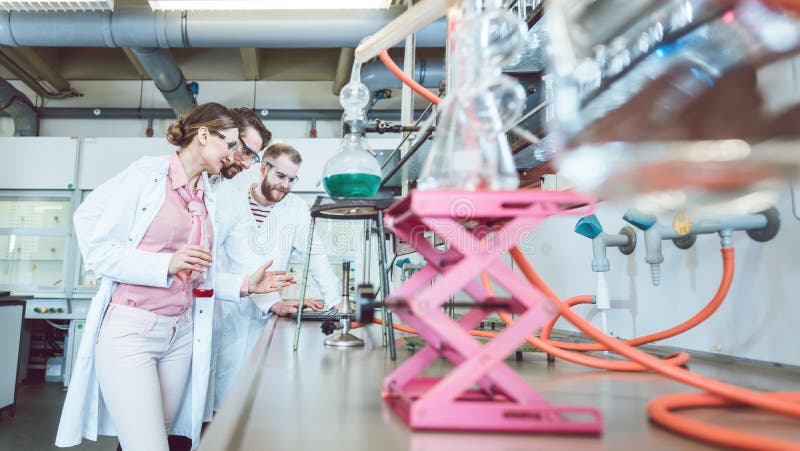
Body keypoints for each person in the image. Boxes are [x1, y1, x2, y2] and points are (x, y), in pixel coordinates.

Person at [55, 102, 293, 451]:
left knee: (161, 437)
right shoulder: (147, 176)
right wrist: (163, 264)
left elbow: (204, 273)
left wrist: (249, 287)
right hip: (134, 326)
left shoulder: (208, 195)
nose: (239, 160)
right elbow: (97, 242)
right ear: (206, 135)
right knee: (148, 444)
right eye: (236, 147)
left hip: (181, 332)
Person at [211, 141, 341, 412]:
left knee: (261, 402)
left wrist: (336, 305)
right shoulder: (231, 201)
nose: (286, 185)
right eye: (280, 176)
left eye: (293, 179)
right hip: (228, 310)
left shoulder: (295, 209)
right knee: (221, 401)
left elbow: (316, 257)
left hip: (266, 317)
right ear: (262, 169)